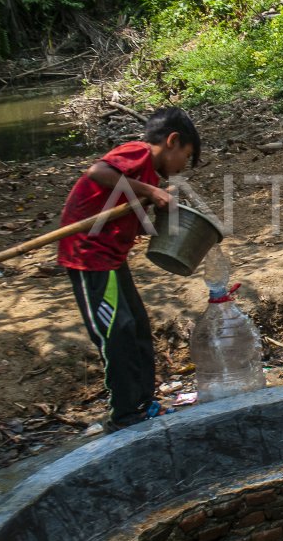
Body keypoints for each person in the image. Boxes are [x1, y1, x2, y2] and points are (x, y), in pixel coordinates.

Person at [58, 107, 201, 430]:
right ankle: (123, 414)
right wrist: (151, 192)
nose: (181, 168)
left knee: (136, 325)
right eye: (185, 156)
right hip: (88, 257)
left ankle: (144, 402)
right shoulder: (138, 154)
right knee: (116, 330)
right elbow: (97, 172)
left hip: (112, 258)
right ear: (172, 141)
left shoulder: (148, 176)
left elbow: (128, 217)